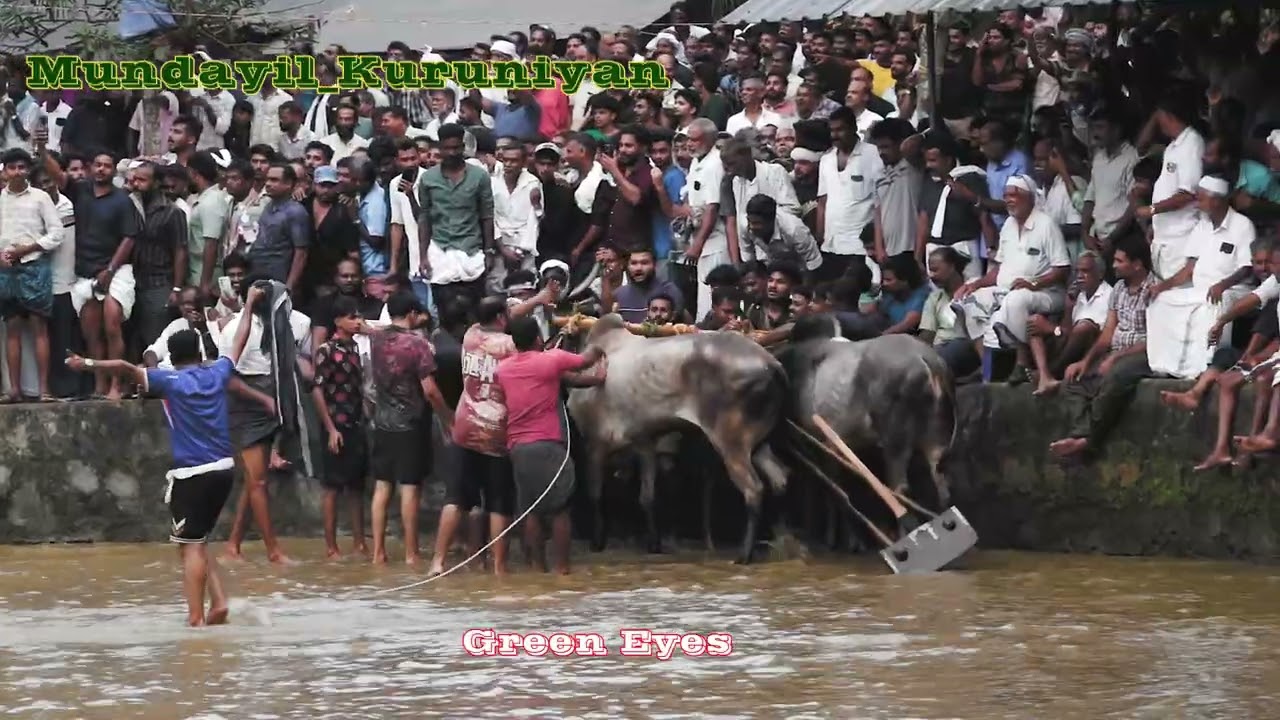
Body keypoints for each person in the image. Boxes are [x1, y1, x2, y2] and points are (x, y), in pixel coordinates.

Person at [65, 285, 258, 626]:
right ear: (199, 353)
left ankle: (195, 620)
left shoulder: (169, 381)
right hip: (226, 470)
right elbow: (239, 339)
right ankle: (219, 602)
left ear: (172, 355)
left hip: (192, 475)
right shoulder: (216, 372)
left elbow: (125, 366)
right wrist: (252, 303)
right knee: (197, 539)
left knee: (189, 545)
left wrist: (87, 363)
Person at [494, 315, 606, 575]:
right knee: (559, 510)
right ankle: (563, 569)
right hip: (549, 445)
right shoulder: (551, 359)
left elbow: (558, 379)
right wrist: (604, 333)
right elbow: (586, 360)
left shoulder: (503, 369)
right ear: (537, 338)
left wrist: (593, 380)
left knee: (531, 509)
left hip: (518, 447)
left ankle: (538, 568)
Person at [430, 295, 517, 577]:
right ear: (503, 318)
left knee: (455, 498)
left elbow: (502, 317)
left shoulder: (469, 337)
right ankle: (499, 568)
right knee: (497, 503)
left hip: (464, 425)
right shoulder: (510, 346)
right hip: (495, 430)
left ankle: (437, 562)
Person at [366, 290, 454, 565]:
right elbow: (430, 390)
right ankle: (411, 553)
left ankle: (378, 552)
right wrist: (447, 417)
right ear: (413, 314)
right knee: (409, 488)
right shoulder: (417, 345)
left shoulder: (377, 340)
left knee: (382, 487)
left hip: (382, 422)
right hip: (411, 425)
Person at [312, 294, 369, 559]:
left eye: (358, 316)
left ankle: (360, 543)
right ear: (337, 321)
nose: (358, 322)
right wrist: (331, 429)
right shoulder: (326, 351)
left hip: (356, 423)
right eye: (352, 317)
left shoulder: (356, 348)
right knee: (332, 487)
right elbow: (317, 390)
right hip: (335, 425)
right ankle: (331, 547)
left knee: (356, 487)